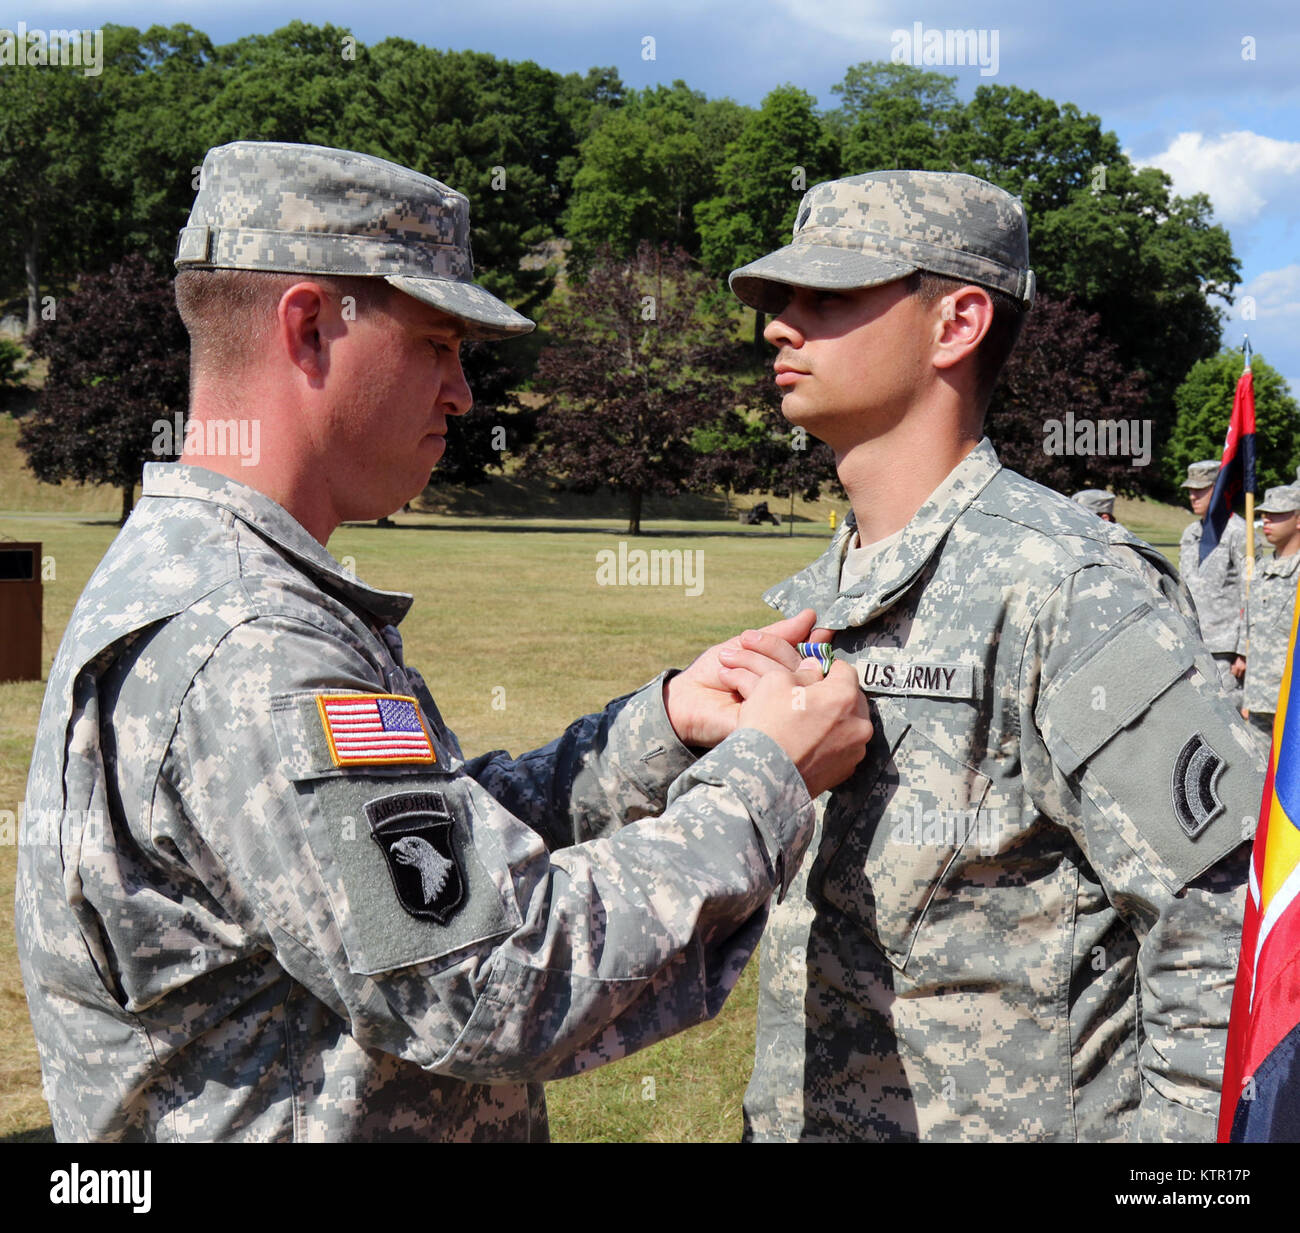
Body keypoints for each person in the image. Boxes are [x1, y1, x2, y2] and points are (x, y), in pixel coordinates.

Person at [15, 141, 873, 1143]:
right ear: (307, 327)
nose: (462, 392)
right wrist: (765, 780)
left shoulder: (224, 583)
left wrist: (663, 730)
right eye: (435, 343)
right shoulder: (253, 640)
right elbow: (489, 982)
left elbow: (420, 858)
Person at [726, 168, 1265, 1142]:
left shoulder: (1070, 590)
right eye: (777, 300)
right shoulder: (819, 600)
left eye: (829, 296)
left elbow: (1218, 927)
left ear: (956, 322)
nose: (778, 326)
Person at [1179, 459, 1257, 703]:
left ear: (1220, 488)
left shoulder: (1239, 532)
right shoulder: (1191, 533)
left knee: (1226, 716)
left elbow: (1252, 590)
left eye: (1200, 489)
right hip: (1192, 643)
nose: (1193, 496)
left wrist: (1244, 650)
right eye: (1190, 490)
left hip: (1225, 649)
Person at [1242, 484, 1300, 741]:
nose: (1266, 519)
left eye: (1277, 513)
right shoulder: (1262, 568)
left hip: (1292, 701)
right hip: (1259, 700)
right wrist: (1248, 696)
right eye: (1265, 513)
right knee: (1257, 777)